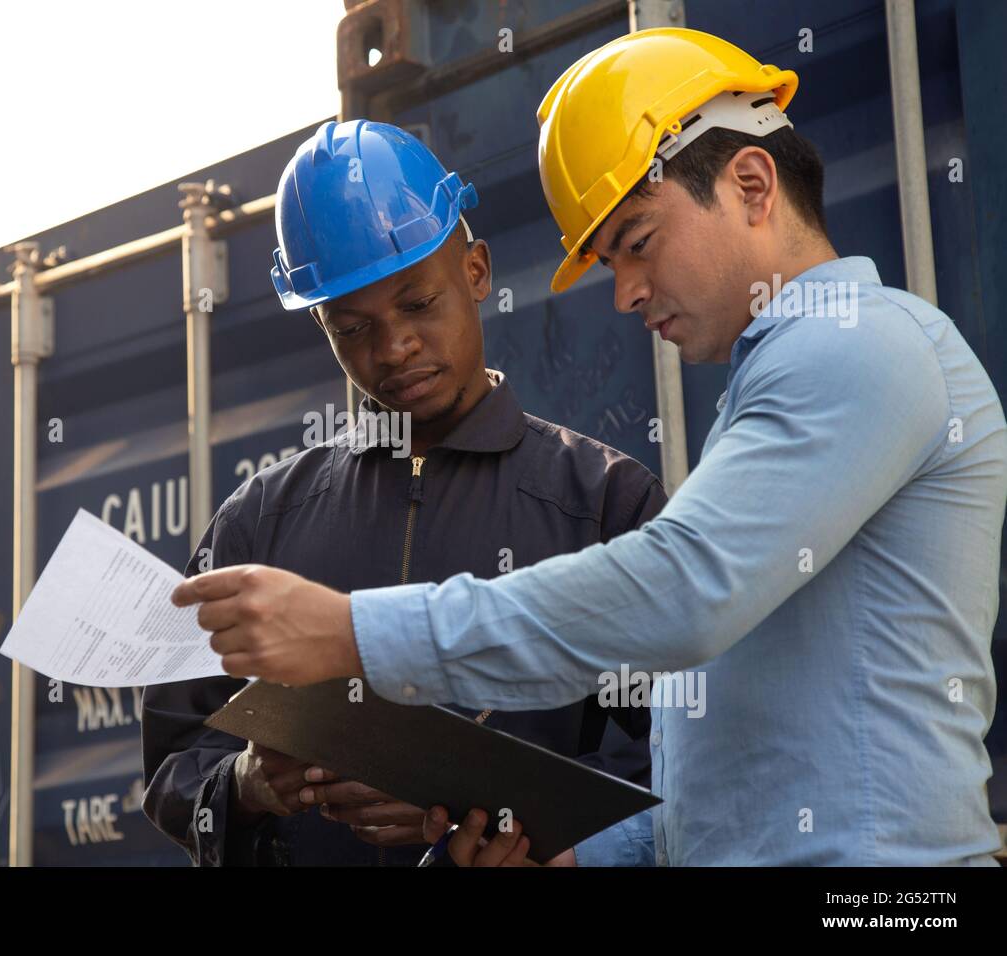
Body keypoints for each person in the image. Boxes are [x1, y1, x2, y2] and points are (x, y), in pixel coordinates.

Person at [173, 29, 1007, 866]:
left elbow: (683, 591)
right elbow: (728, 797)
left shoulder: (858, 345)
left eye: (637, 243)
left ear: (752, 185)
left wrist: (353, 633)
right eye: (610, 263)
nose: (628, 293)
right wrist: (571, 858)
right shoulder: (777, 391)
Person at [142, 119, 666, 867]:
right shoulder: (257, 525)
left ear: (477, 272)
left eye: (418, 305)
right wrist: (249, 784)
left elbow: (683, 765)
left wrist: (543, 845)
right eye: (352, 328)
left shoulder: (607, 505)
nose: (393, 348)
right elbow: (173, 767)